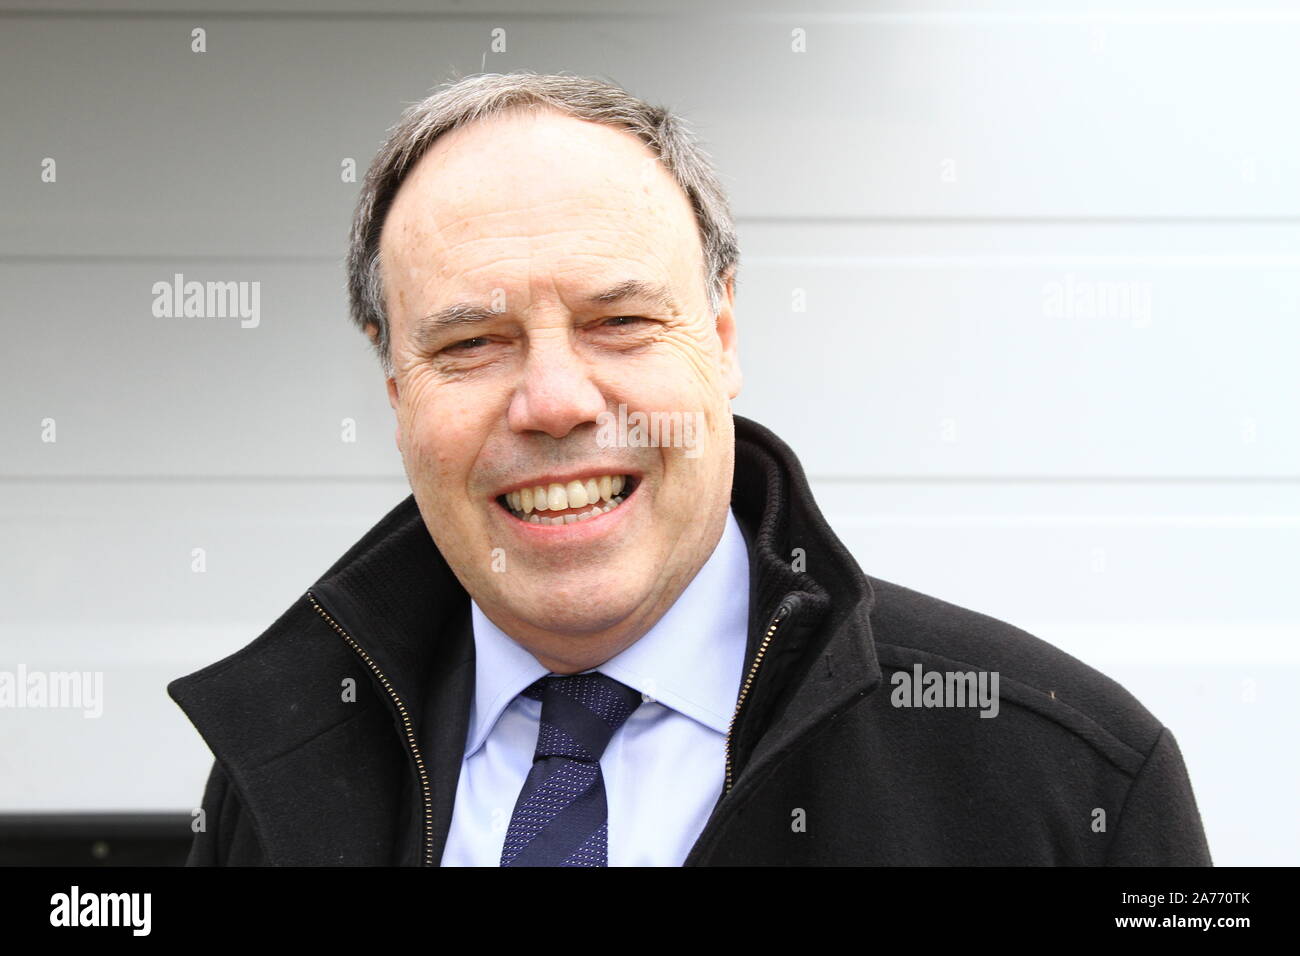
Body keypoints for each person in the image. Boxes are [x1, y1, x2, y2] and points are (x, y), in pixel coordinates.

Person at [168, 72, 1212, 866]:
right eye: (469, 345)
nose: (555, 401)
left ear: (721, 336)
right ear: (396, 390)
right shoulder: (277, 776)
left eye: (618, 322)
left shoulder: (1067, 783)